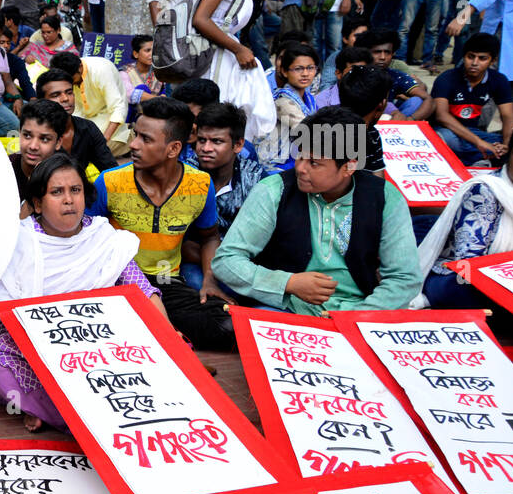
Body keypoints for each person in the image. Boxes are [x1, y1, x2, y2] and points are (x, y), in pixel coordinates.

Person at [0, 152, 166, 432]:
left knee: (160, 354)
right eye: (57, 192)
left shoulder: (104, 239)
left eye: (75, 190)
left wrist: (167, 339)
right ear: (37, 203)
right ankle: (67, 417)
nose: (69, 200)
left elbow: (144, 291)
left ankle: (61, 412)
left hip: (98, 349)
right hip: (33, 352)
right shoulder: (17, 242)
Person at [216, 104, 422, 313]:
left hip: (362, 311)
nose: (300, 168)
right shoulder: (273, 191)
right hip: (288, 308)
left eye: (314, 163)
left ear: (349, 166)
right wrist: (288, 283)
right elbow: (226, 260)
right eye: (300, 157)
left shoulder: (385, 197)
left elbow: (404, 278)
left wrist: (361, 316)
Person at [87, 97, 234, 350]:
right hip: (117, 282)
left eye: (145, 139)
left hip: (167, 282)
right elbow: (86, 238)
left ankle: (160, 329)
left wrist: (209, 279)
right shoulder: (108, 182)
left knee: (227, 327)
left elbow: (209, 236)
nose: (133, 144)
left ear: (173, 148)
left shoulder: (200, 184)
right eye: (135, 134)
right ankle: (162, 332)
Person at [191, 0, 282, 144]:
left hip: (222, 54)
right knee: (217, 116)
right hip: (215, 58)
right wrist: (237, 48)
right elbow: (201, 19)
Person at [415, 130, 513, 311]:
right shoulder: (485, 191)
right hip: (458, 276)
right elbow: (468, 260)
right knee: (466, 289)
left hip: (507, 279)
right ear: (509, 154)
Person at [180, 102, 271, 293]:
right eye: (202, 140)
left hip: (245, 266)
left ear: (238, 144)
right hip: (196, 262)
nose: (206, 148)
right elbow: (183, 245)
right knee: (195, 284)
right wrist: (223, 261)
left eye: (216, 141)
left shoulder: (256, 180)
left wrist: (235, 264)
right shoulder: (184, 176)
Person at [429, 32, 513, 166]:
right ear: (464, 56)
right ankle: (480, 158)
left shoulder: (499, 80)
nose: (474, 63)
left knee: (509, 142)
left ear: (493, 60)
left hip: (475, 133)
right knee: (443, 140)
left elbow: (508, 115)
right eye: (470, 57)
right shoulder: (447, 78)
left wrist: (507, 145)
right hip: (447, 132)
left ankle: (472, 158)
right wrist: (479, 143)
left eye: (482, 58)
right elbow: (441, 116)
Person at [34, 69, 118, 176]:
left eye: (69, 92)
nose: (65, 99)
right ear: (42, 101)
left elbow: (111, 170)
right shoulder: (35, 134)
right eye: (56, 95)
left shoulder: (88, 128)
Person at [50, 50, 129, 154]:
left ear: (80, 68)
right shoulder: (68, 75)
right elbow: (75, 111)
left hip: (107, 114)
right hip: (84, 117)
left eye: (72, 80)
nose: (71, 83)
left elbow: (118, 108)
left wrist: (104, 140)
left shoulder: (101, 70)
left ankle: (128, 138)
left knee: (90, 145)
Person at [354, 30, 432, 120]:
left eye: (387, 52)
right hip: (358, 121)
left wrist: (409, 119)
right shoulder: (355, 75)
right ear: (366, 53)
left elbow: (428, 99)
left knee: (416, 101)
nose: (383, 57)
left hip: (392, 119)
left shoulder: (396, 75)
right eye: (377, 52)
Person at [268, 43, 321, 165]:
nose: (305, 74)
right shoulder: (282, 100)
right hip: (280, 163)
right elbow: (308, 132)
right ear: (285, 71)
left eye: (310, 68)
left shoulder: (309, 98)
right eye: (298, 69)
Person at [121, 34, 165, 120]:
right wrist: (159, 100)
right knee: (142, 88)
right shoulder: (125, 72)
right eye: (147, 50)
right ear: (136, 54)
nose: (152, 54)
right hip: (131, 117)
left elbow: (167, 93)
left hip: (156, 115)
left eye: (154, 50)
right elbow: (130, 95)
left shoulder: (160, 71)